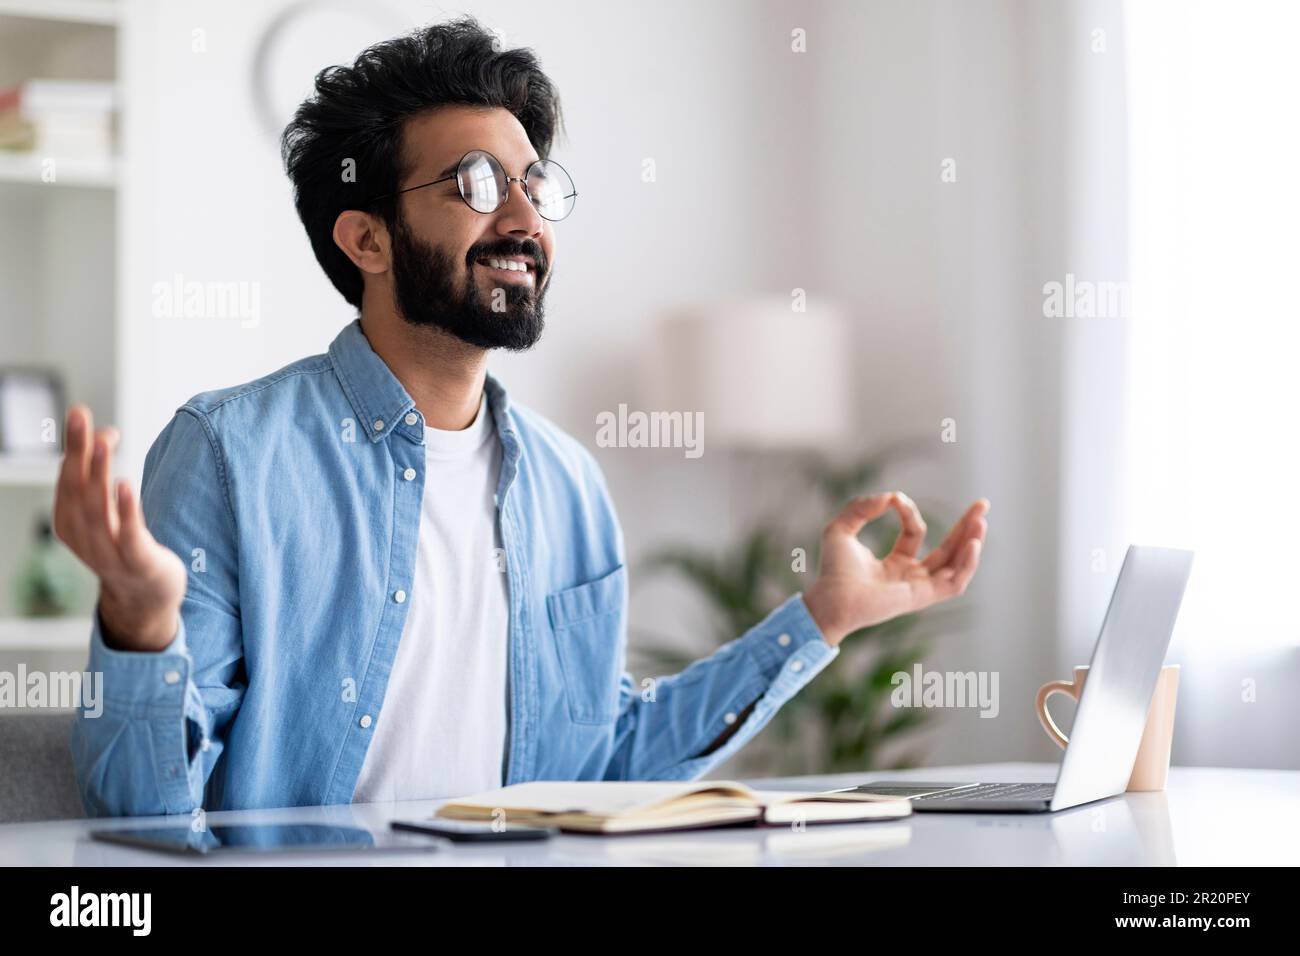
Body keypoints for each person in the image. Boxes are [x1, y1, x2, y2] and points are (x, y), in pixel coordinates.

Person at [56, 17, 989, 816]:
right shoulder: (229, 452)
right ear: (367, 237)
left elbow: (605, 769)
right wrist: (140, 621)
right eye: (472, 184)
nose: (522, 219)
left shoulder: (567, 483)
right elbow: (143, 822)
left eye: (533, 185)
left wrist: (820, 618)